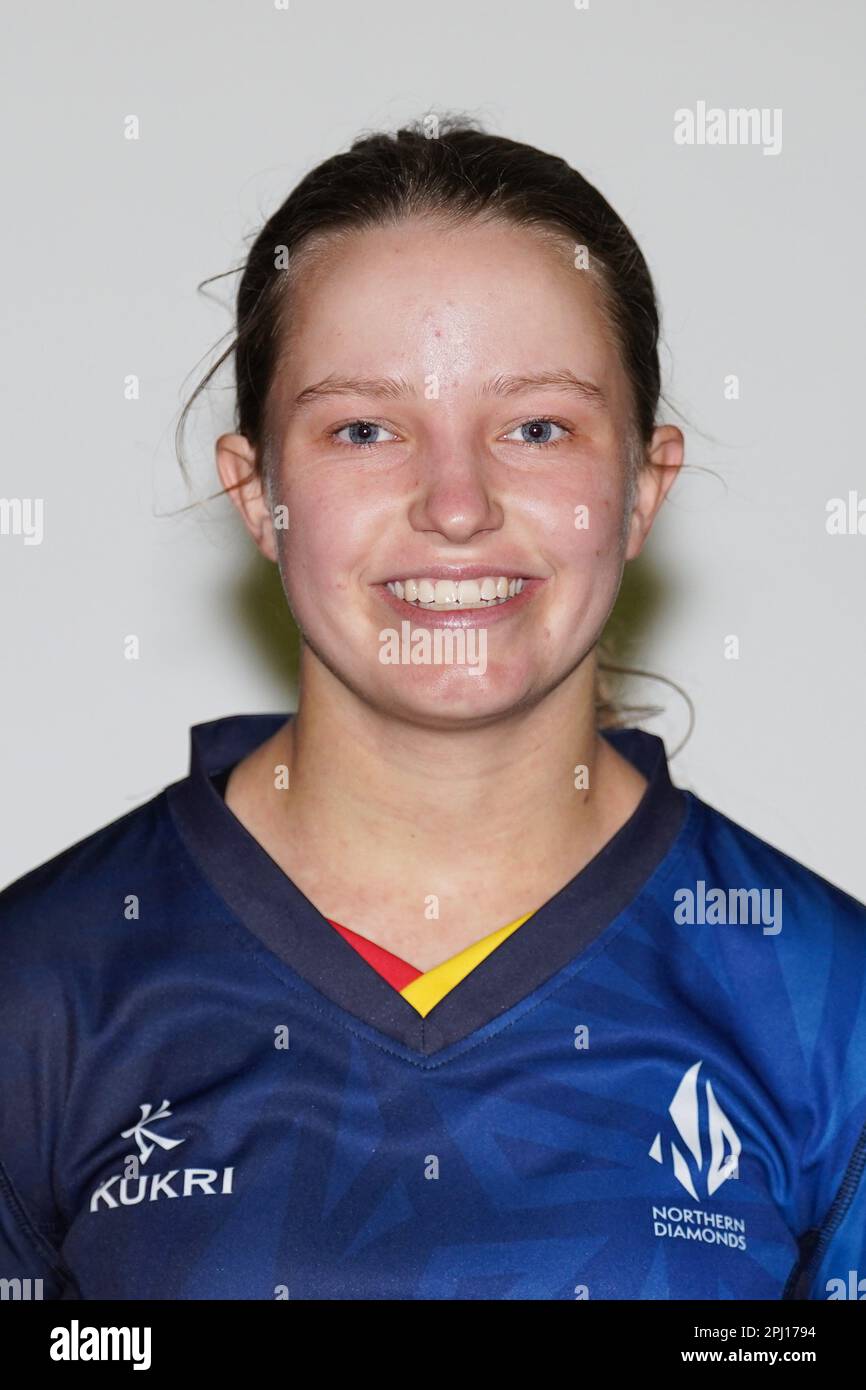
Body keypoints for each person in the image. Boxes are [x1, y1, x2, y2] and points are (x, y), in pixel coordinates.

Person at [1, 118, 864, 1302]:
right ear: (258, 496)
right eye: (363, 428)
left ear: (638, 490)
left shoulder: (826, 1006)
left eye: (536, 428)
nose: (454, 504)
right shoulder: (43, 986)